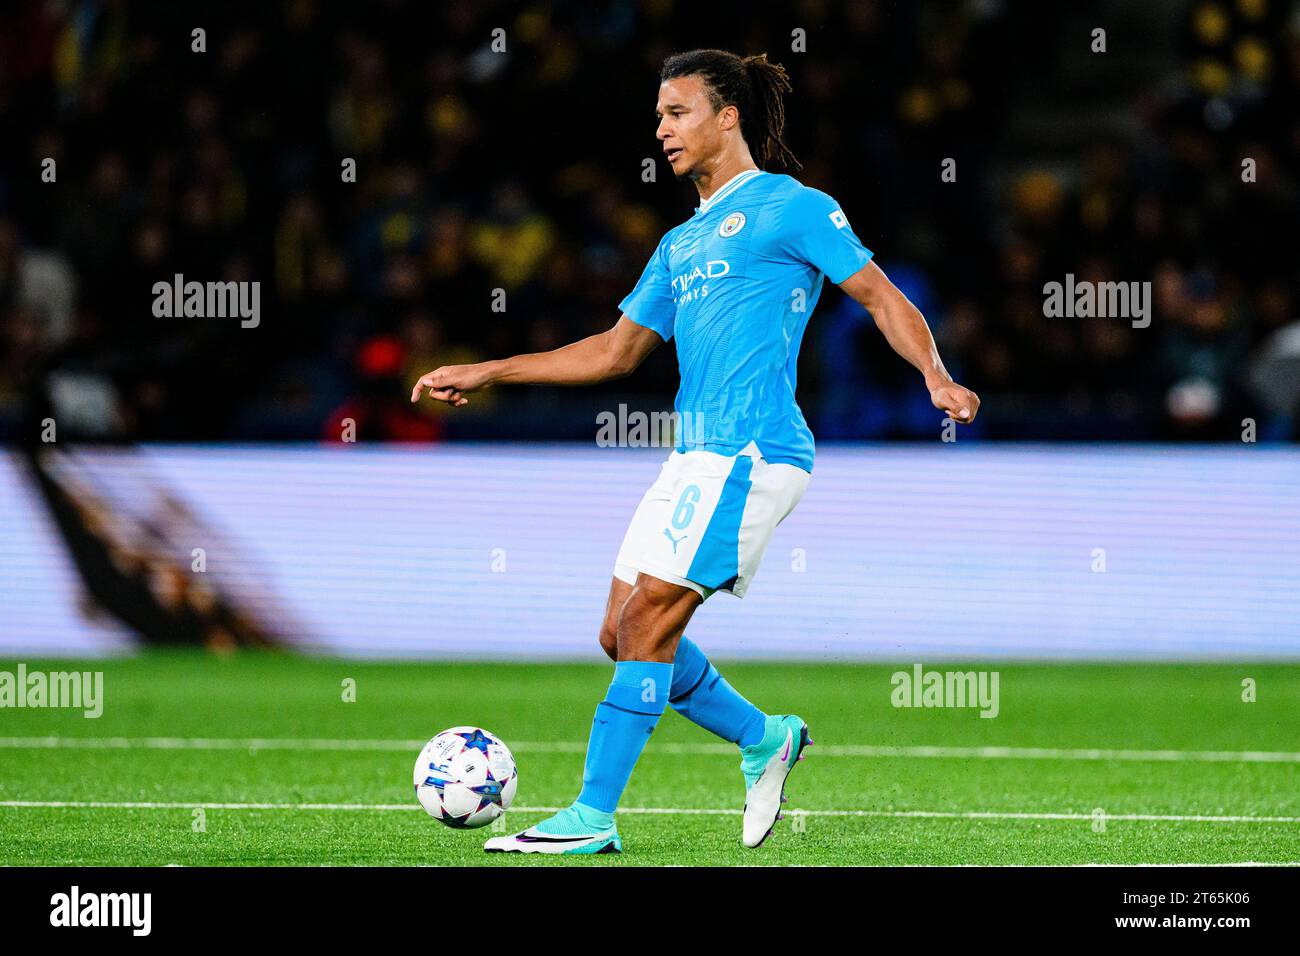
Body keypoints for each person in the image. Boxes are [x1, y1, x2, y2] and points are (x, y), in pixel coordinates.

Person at [411, 49, 979, 854]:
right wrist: (489, 367)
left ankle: (592, 816)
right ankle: (764, 737)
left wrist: (936, 374)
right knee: (619, 632)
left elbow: (879, 296)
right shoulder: (680, 242)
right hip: (690, 457)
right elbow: (614, 353)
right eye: (657, 116)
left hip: (754, 453)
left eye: (676, 113)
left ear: (727, 116)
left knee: (647, 622)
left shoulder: (792, 207)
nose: (661, 130)